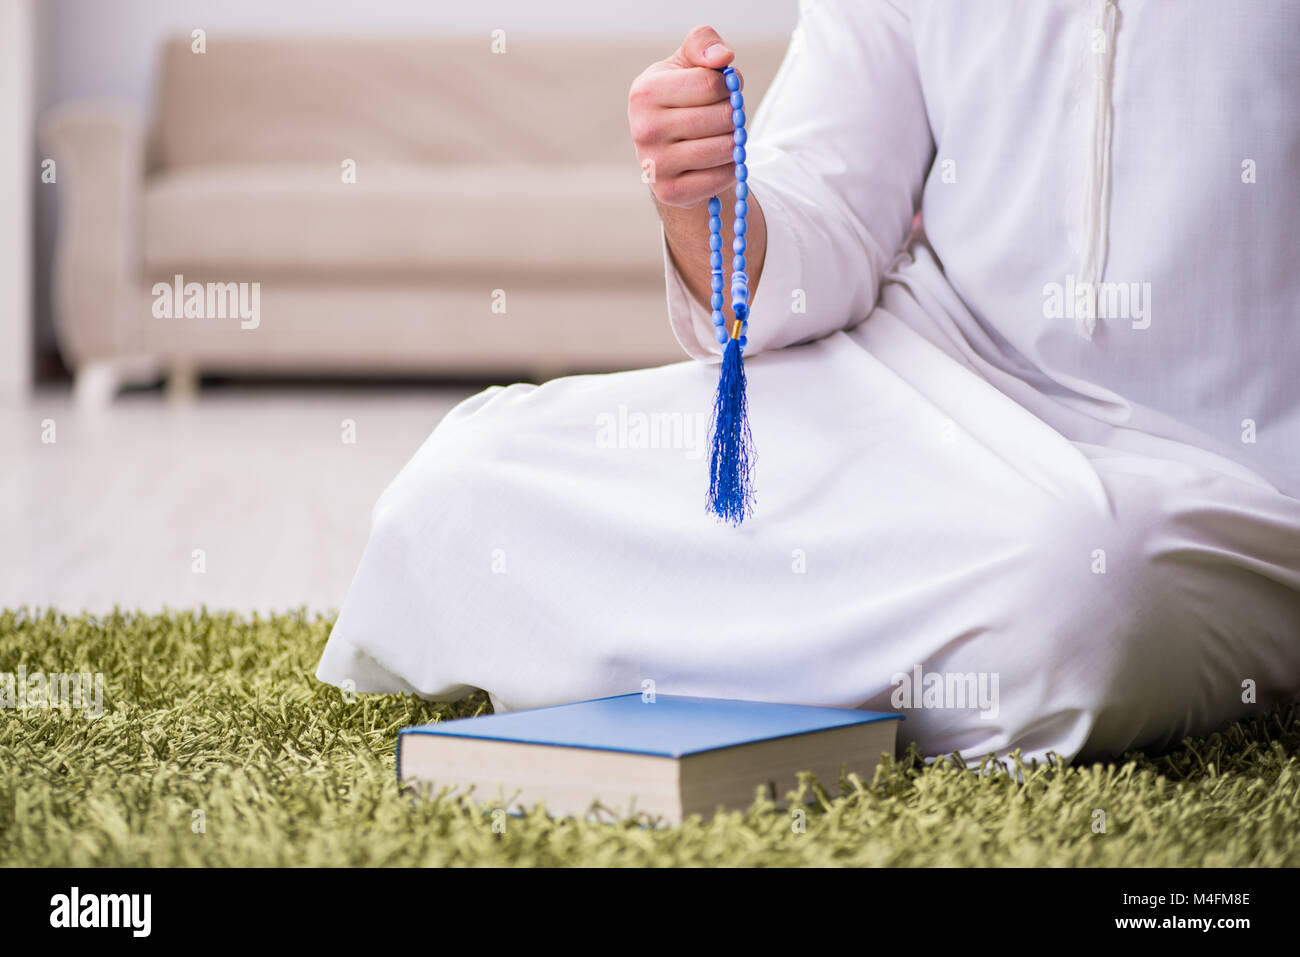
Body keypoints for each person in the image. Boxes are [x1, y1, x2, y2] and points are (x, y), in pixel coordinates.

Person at [317, 1, 1300, 764]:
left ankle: (661, 651)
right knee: (469, 480)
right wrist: (711, 200)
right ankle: (871, 664)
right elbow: (825, 207)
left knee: (1083, 598)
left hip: (1209, 478)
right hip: (914, 396)